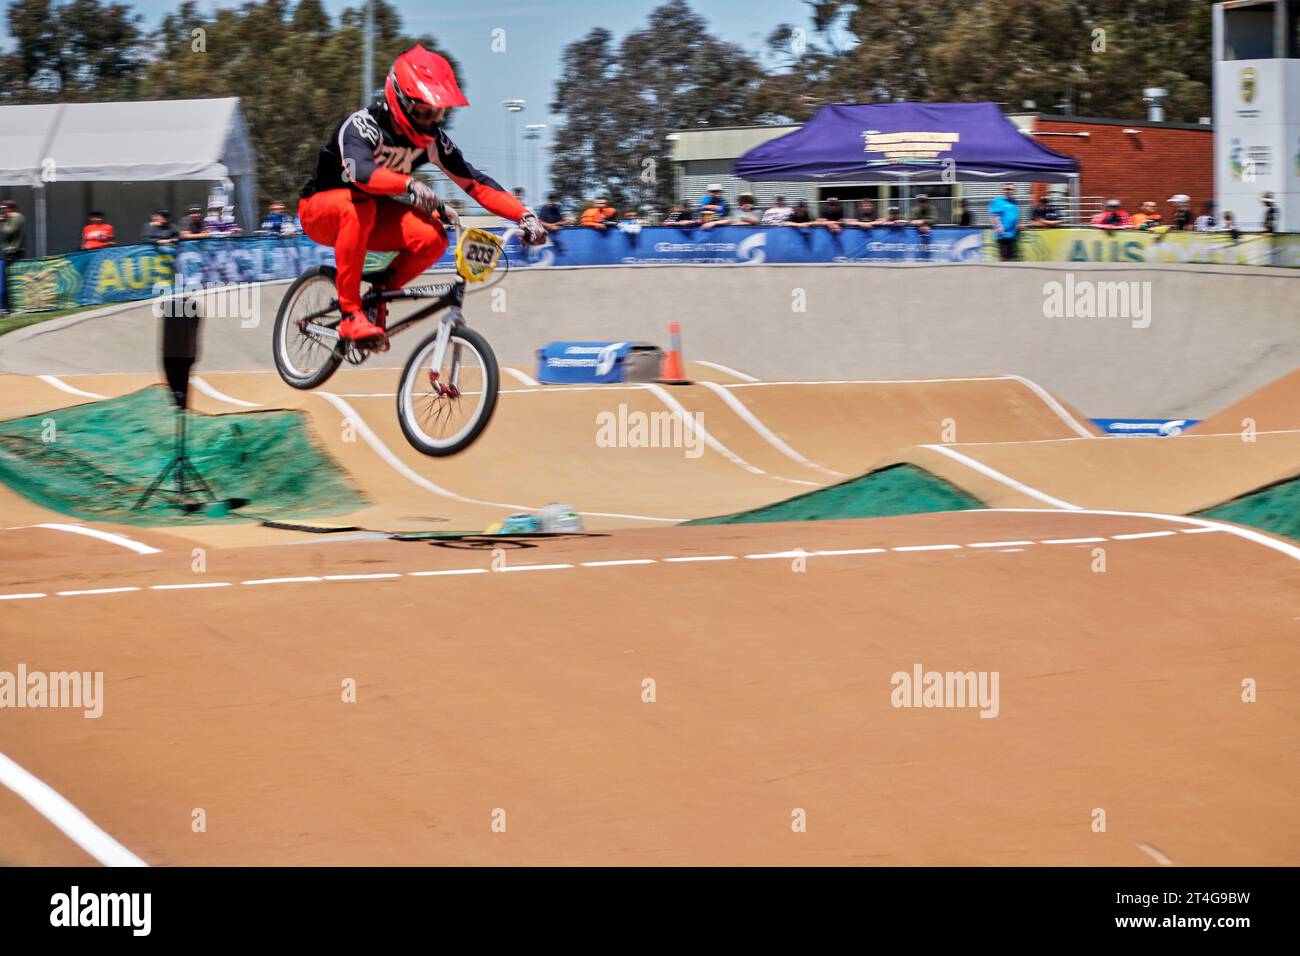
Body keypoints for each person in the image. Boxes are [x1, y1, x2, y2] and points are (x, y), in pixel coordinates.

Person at [298, 46, 544, 344]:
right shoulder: (362, 126)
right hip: (319, 210)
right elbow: (361, 174)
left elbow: (475, 183)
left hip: (371, 215)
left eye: (437, 113)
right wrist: (409, 185)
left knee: (433, 238)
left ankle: (377, 297)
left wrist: (524, 215)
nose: (430, 121)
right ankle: (350, 313)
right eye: (424, 112)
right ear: (400, 100)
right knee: (359, 207)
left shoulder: (433, 141)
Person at [988, 184, 1020, 261]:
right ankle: (1001, 272)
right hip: (1002, 234)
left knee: (1011, 258)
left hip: (1012, 234)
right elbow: (994, 216)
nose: (1008, 191)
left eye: (1010, 189)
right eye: (1006, 189)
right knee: (1004, 258)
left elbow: (1015, 216)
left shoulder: (1014, 202)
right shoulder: (997, 201)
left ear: (1013, 190)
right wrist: (998, 227)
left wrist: (1018, 225)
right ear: (1003, 190)